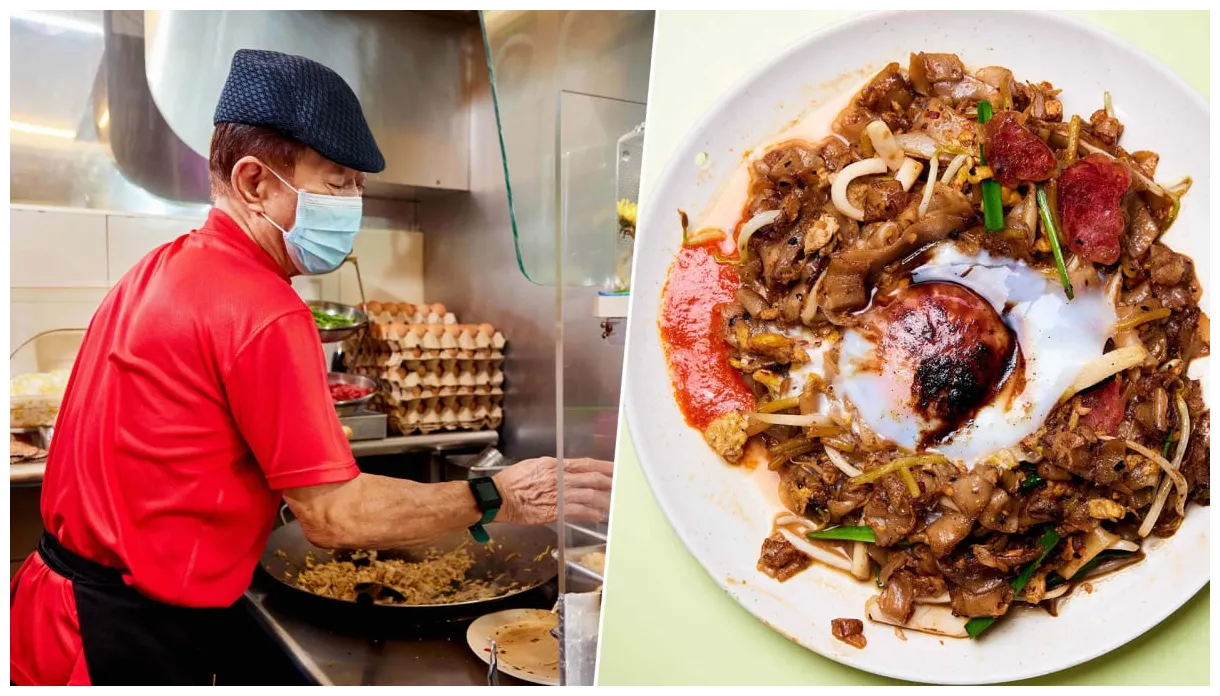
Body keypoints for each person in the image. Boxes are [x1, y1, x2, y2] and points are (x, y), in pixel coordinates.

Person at [8, 49, 613, 686]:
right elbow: (337, 517)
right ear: (254, 183)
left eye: (358, 185)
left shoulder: (163, 267)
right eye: (337, 181)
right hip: (123, 638)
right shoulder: (264, 308)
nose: (353, 203)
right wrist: (498, 495)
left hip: (55, 609)